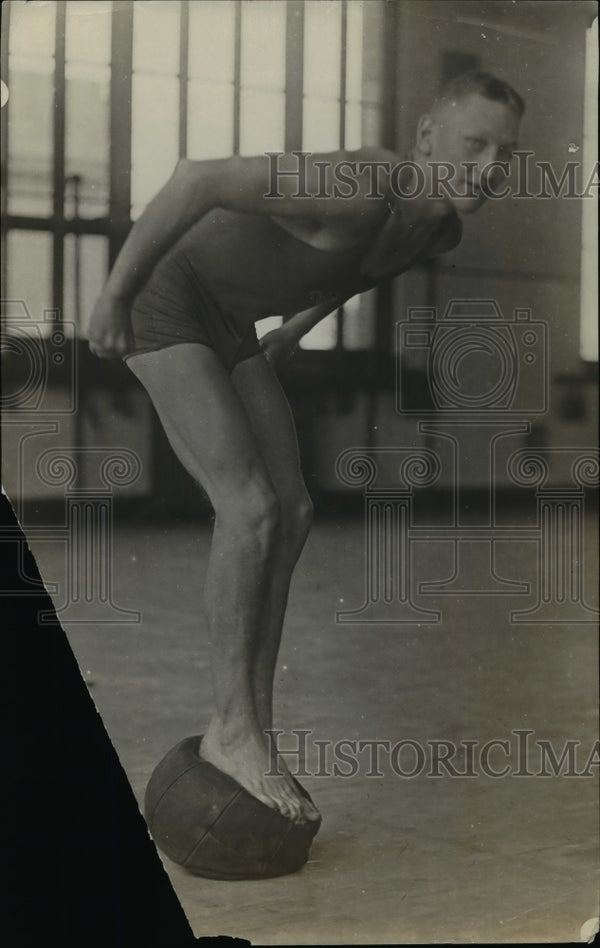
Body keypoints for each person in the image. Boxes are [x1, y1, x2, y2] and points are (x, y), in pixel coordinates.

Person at [89, 72, 524, 824]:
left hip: (231, 319)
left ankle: (253, 725)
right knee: (250, 508)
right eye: (473, 144)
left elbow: (363, 268)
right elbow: (196, 179)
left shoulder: (439, 224)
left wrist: (294, 327)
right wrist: (115, 296)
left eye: (505, 155)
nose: (488, 168)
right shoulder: (356, 184)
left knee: (292, 509)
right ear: (426, 137)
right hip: (166, 298)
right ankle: (230, 729)